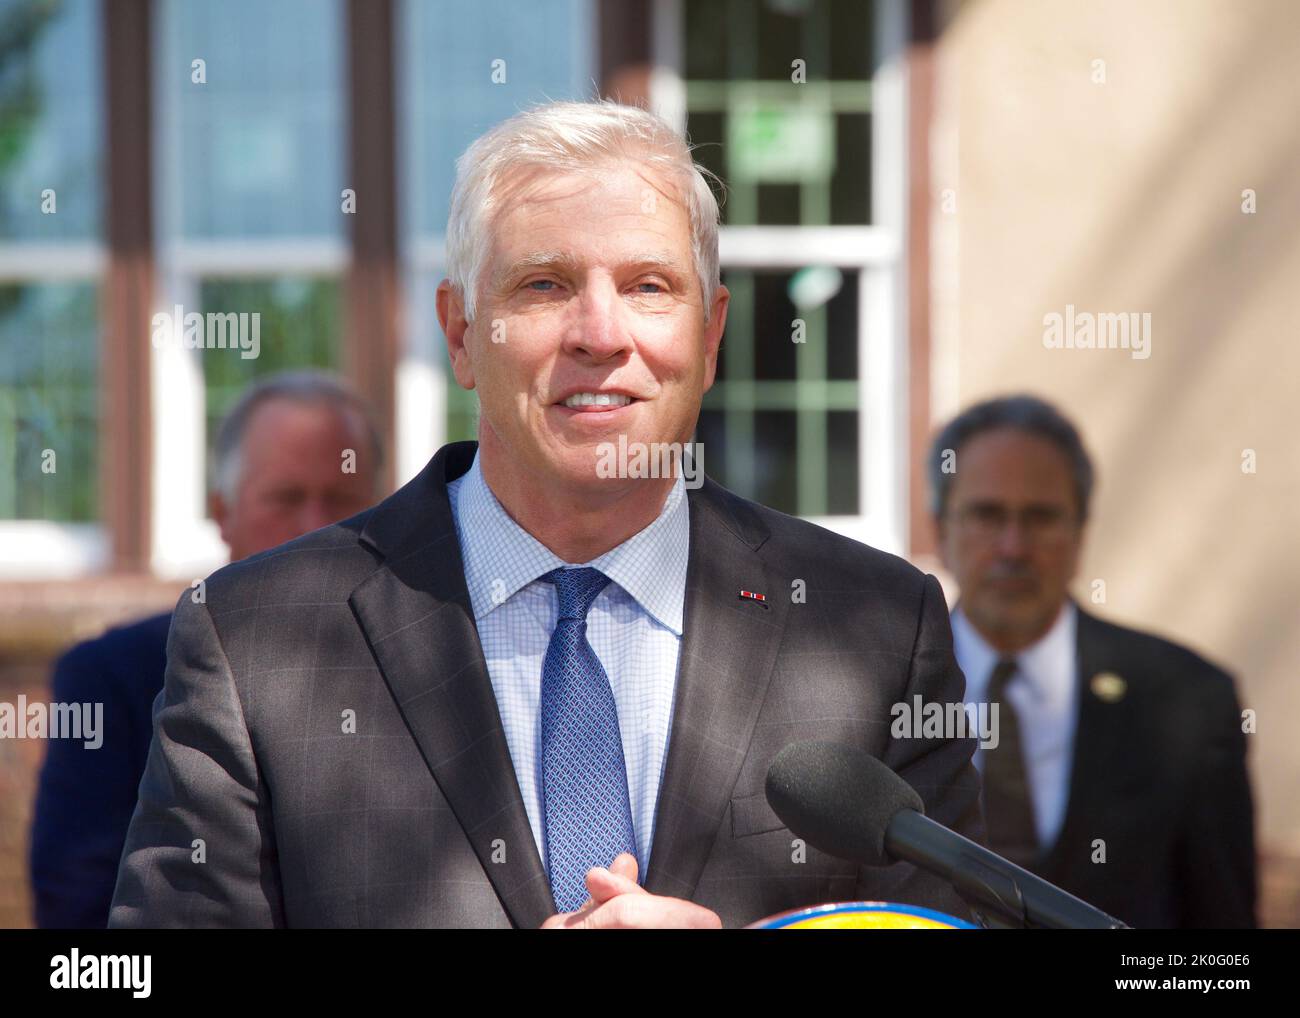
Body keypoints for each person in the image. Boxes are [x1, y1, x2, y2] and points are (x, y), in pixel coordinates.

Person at [109, 100, 983, 930]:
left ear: (710, 337)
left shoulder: (877, 632)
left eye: (648, 285)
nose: (600, 333)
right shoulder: (253, 638)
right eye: (544, 284)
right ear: (460, 334)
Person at [30, 371, 383, 928]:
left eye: (340, 498)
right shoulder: (116, 676)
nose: (315, 526)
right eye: (286, 499)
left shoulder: (422, 659)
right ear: (222, 512)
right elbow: (77, 902)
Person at [928, 394, 1256, 928]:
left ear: (1080, 536)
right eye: (987, 515)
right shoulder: (883, 692)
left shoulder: (1190, 700)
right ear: (941, 532)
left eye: (1041, 517)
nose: (1013, 547)